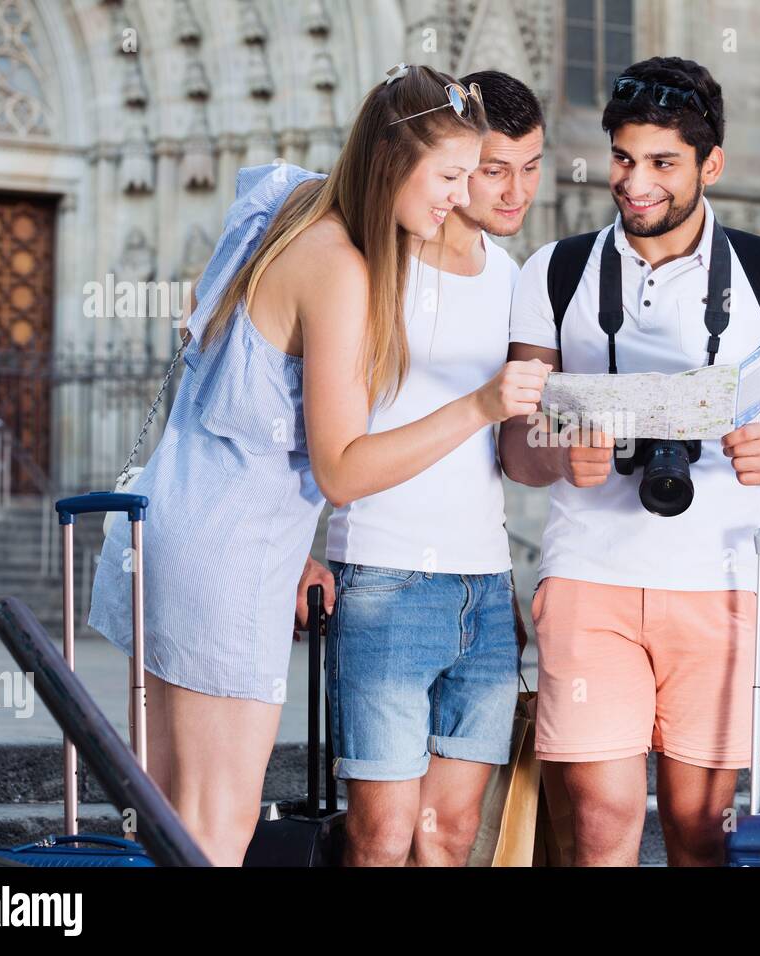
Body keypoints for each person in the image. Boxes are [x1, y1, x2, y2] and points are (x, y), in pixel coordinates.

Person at [88, 64, 548, 866]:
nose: (456, 196)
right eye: (448, 176)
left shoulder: (295, 205)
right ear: (391, 163)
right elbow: (340, 469)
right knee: (215, 824)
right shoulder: (339, 263)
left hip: (194, 523)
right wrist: (479, 405)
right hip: (232, 549)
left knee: (171, 809)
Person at [498, 56, 760, 866]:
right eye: (621, 157)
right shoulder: (557, 270)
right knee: (602, 823)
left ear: (711, 165)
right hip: (587, 577)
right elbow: (512, 445)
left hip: (717, 582)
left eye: (661, 163)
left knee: (695, 831)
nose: (635, 182)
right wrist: (558, 453)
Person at [295, 70, 547, 866]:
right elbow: (313, 434)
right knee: (381, 837)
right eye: (492, 169)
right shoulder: (367, 264)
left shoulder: (514, 280)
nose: (515, 192)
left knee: (450, 835)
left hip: (481, 581)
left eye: (531, 168)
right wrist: (302, 545)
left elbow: (504, 452)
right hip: (384, 575)